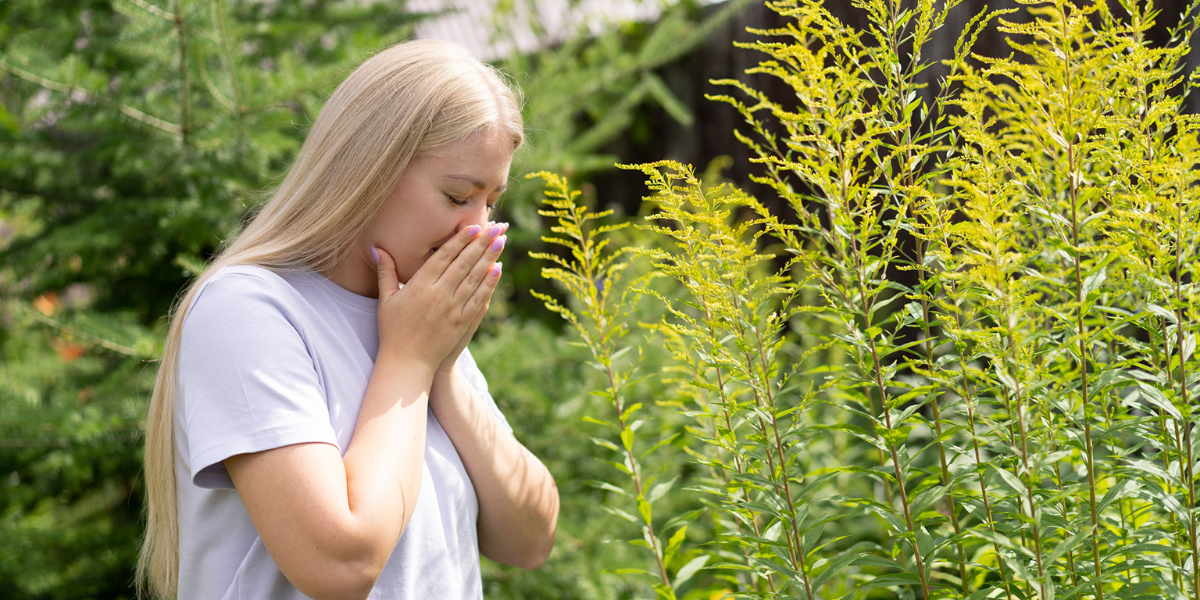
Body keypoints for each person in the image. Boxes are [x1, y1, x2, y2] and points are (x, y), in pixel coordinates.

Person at [136, 39, 559, 600]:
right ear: (368, 169)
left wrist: (444, 371)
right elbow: (340, 563)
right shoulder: (248, 311)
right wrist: (409, 361)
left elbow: (529, 539)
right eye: (458, 196)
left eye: (491, 201)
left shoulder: (416, 317)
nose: (477, 229)